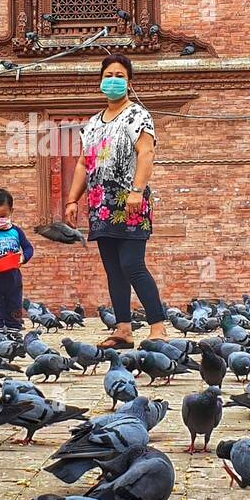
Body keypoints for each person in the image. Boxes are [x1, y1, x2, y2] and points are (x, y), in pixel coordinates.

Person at [64, 53, 166, 349]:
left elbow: (146, 154)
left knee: (132, 264)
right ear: (100, 81)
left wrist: (137, 190)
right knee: (113, 269)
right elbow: (85, 163)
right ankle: (123, 329)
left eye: (120, 76)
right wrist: (73, 199)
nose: (113, 81)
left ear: (129, 82)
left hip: (130, 200)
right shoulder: (93, 123)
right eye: (108, 75)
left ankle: (157, 327)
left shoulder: (138, 116)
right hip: (99, 203)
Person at [0, 187, 34, 332]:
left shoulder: (16, 231)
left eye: (2, 216)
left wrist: (23, 257)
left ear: (11, 212)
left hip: (13, 277)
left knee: (14, 304)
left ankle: (14, 330)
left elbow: (28, 248)